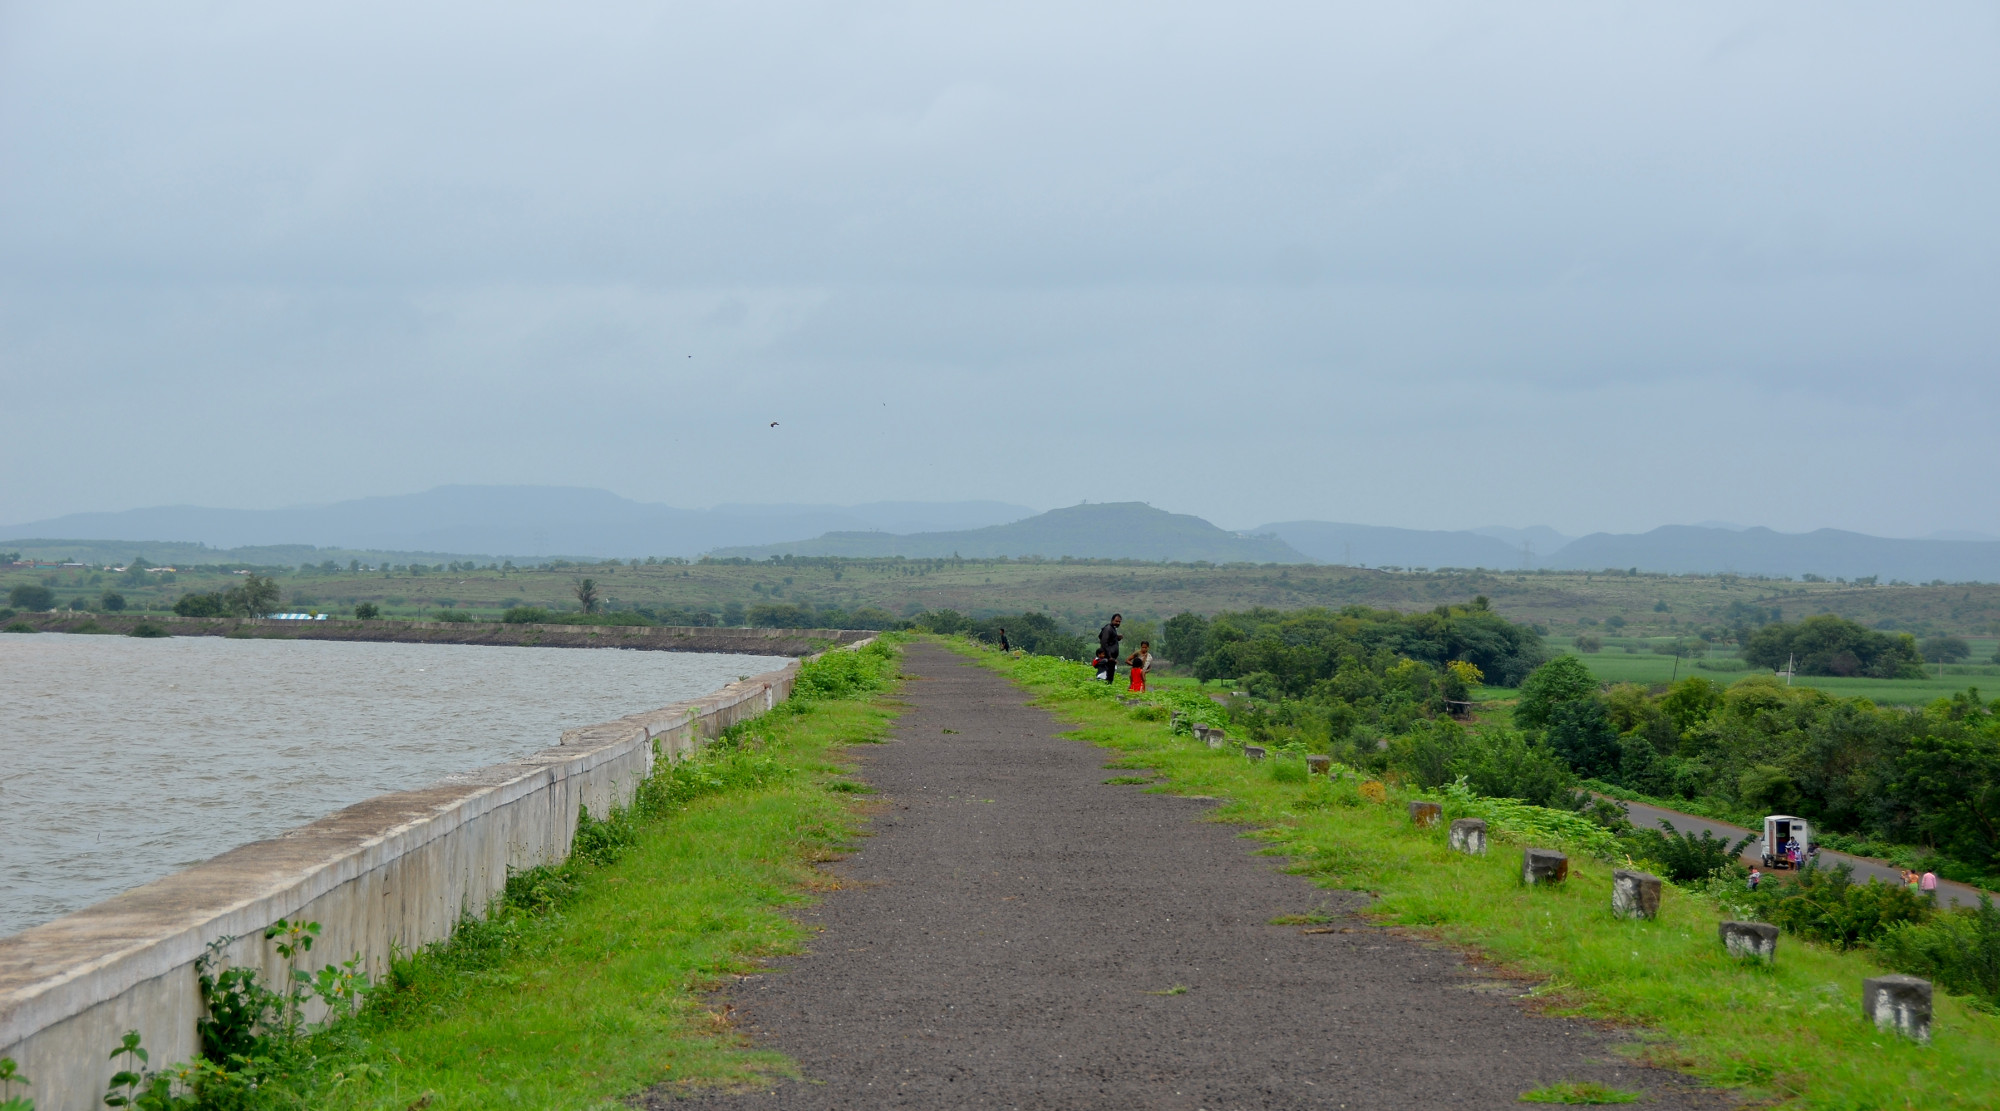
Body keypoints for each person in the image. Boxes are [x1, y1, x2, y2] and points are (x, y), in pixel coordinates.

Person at [1096, 613, 1123, 683]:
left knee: (1110, 676)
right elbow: (1104, 643)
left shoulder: (1112, 629)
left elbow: (1107, 639)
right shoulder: (1108, 629)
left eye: (1119, 622)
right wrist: (1109, 656)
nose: (1118, 623)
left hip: (1111, 658)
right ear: (1112, 620)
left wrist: (1116, 637)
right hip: (1108, 658)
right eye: (1116, 621)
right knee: (1106, 677)